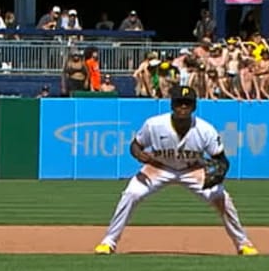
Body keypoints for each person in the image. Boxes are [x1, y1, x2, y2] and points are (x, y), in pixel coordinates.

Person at [94, 86, 256, 256]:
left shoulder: (205, 130)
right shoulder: (154, 124)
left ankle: (243, 243)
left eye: (187, 104)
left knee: (222, 198)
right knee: (131, 194)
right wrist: (139, 155)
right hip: (158, 167)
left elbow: (221, 159)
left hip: (192, 169)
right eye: (179, 103)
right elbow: (136, 145)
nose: (183, 107)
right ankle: (109, 242)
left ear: (194, 107)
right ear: (172, 105)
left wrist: (219, 174)